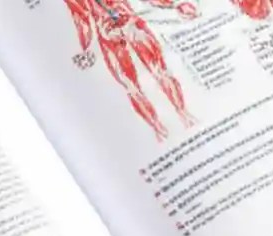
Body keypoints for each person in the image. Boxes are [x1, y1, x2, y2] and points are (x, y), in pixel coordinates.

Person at [64, 0, 200, 141]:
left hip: (118, 29)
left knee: (145, 79)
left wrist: (171, 5)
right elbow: (81, 17)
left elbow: (82, 18)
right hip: (118, 30)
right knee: (142, 80)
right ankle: (168, 123)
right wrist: (86, 47)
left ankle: (171, 122)